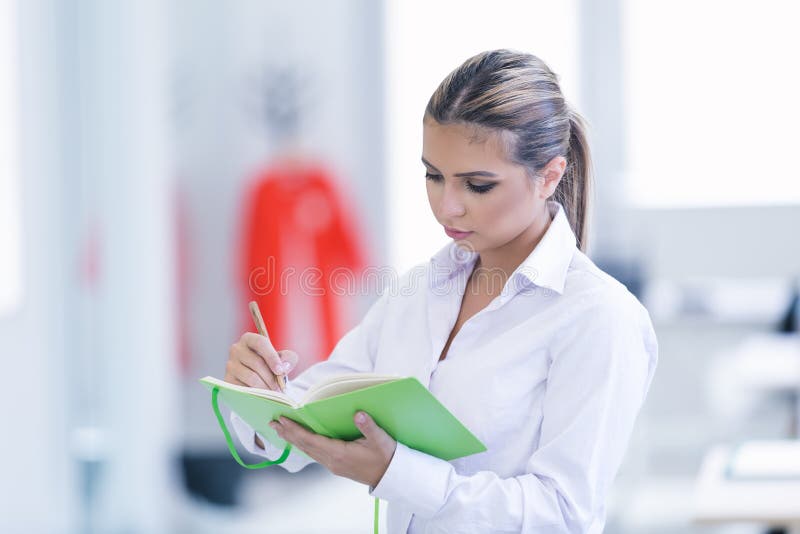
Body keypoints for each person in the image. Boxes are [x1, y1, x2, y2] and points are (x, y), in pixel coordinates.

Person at [224, 48, 658, 533]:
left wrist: (397, 474)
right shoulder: (419, 293)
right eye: (434, 176)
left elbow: (562, 515)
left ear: (549, 177)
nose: (447, 207)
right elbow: (307, 417)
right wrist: (259, 396)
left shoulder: (597, 316)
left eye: (477, 185)